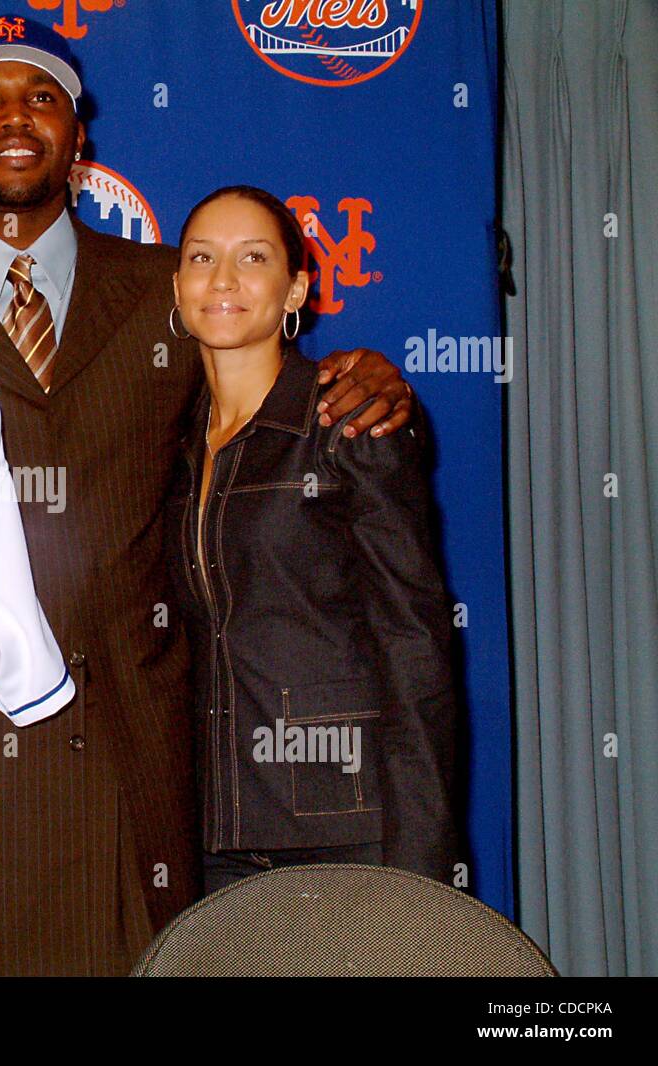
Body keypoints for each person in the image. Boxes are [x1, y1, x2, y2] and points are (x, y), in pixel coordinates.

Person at [0, 15, 415, 976]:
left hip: (144, 770)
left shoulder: (178, 293)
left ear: (81, 136)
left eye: (43, 97)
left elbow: (274, 402)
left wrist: (361, 377)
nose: (15, 118)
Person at [167, 185, 458, 893]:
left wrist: (420, 866)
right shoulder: (167, 442)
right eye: (204, 257)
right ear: (177, 287)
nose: (225, 279)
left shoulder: (351, 423)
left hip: (346, 831)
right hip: (213, 840)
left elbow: (415, 649)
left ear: (297, 286)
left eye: (254, 258)